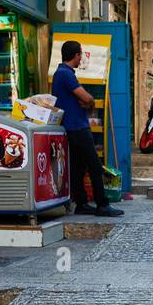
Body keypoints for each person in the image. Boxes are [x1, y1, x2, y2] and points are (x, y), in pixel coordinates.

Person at [51, 40, 123, 218]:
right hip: (77, 127)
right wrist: (88, 102)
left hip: (70, 126)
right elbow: (86, 98)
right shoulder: (65, 74)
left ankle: (81, 203)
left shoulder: (61, 73)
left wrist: (85, 102)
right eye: (80, 54)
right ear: (76, 55)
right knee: (94, 165)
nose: (81, 57)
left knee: (78, 167)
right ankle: (102, 204)